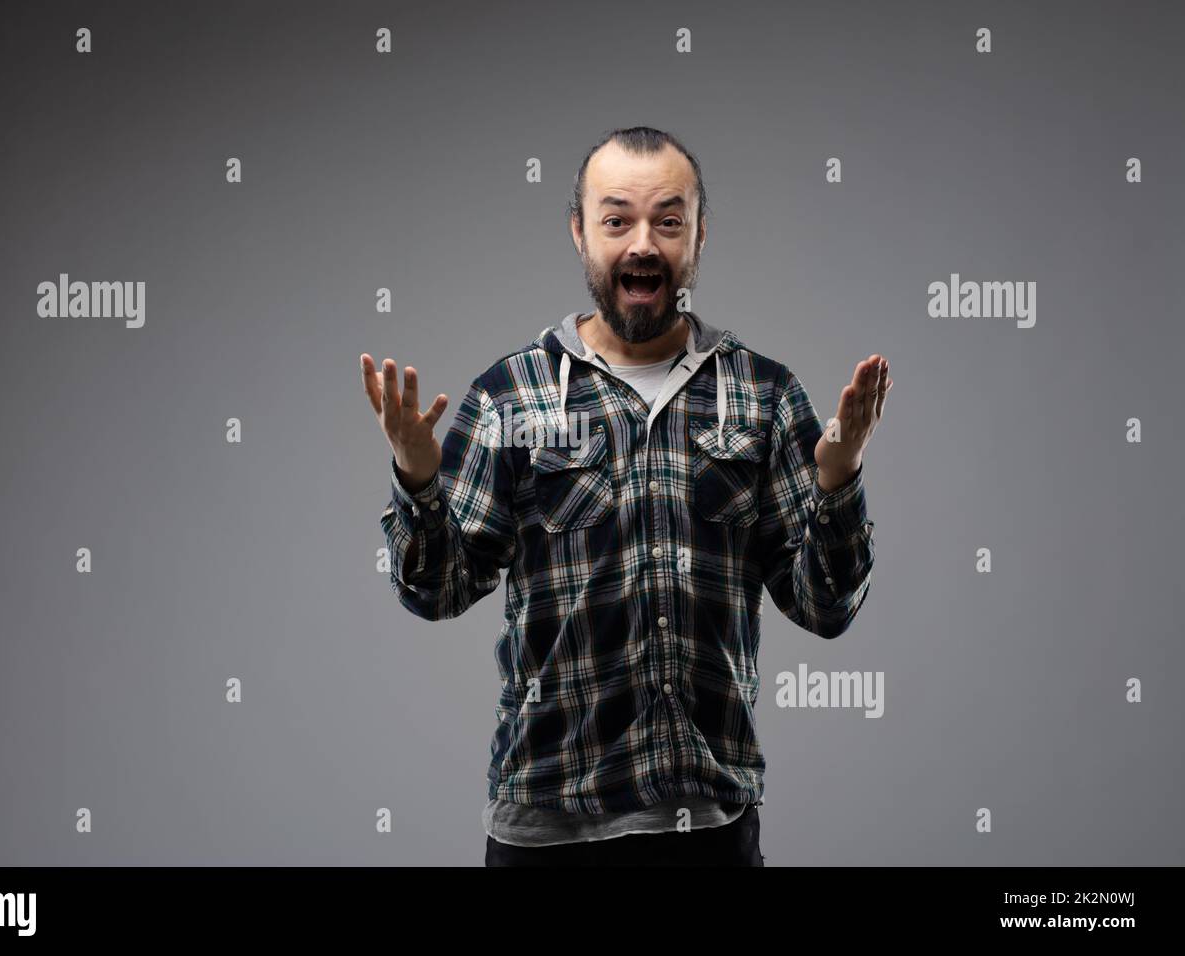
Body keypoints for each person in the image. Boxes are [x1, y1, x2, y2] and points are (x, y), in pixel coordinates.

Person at [359, 126, 892, 866]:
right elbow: (436, 591)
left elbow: (825, 607)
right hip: (544, 828)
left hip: (708, 828)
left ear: (699, 236)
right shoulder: (512, 395)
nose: (643, 244)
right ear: (580, 232)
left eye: (668, 221)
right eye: (617, 220)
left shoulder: (764, 395)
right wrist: (417, 480)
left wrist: (840, 479)